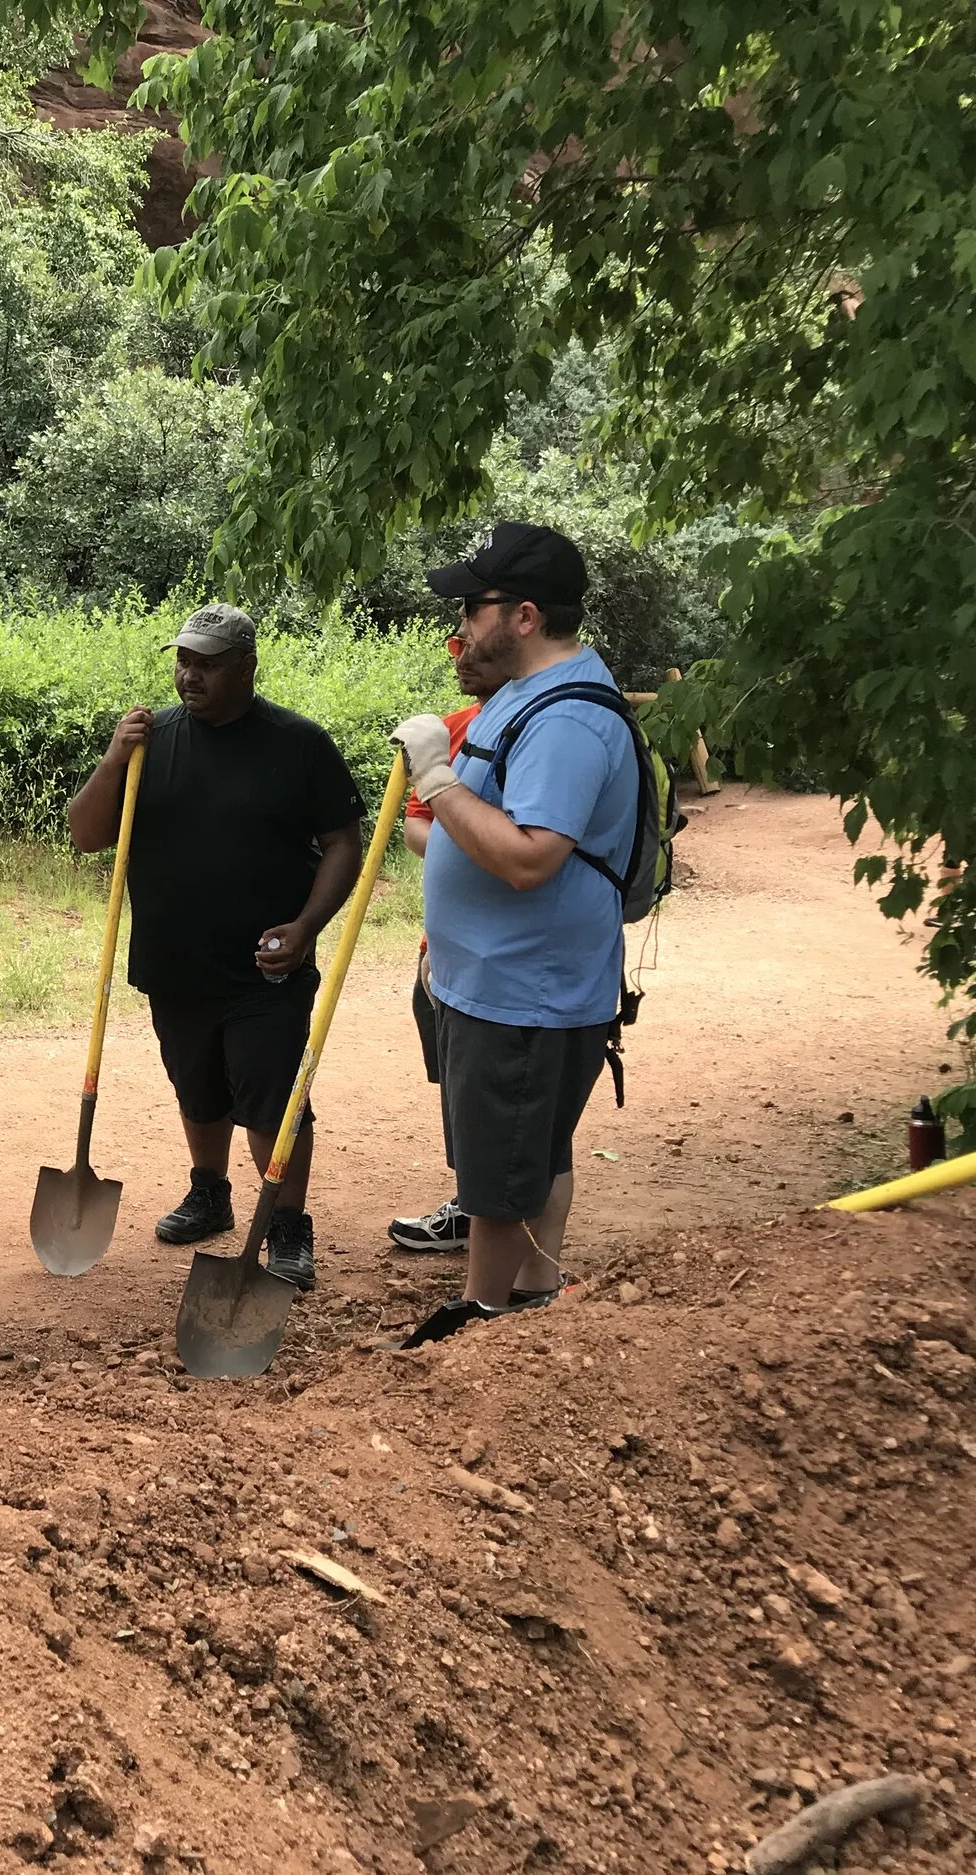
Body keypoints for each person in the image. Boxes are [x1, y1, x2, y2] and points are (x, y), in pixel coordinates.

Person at [65, 603, 366, 1289]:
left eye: (205, 663)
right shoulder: (149, 741)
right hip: (175, 964)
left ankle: (288, 1226)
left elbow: (344, 843)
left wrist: (306, 926)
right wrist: (114, 756)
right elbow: (86, 834)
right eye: (183, 660)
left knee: (271, 1100)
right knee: (197, 1089)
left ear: (246, 667)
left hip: (267, 967)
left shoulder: (298, 744)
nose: (188, 675)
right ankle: (210, 1192)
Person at [389, 521, 638, 1344]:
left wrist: (435, 777)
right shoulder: (525, 697)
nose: (461, 621)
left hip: (526, 989)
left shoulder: (568, 720)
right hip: (496, 979)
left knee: (499, 1168)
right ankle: (535, 1294)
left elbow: (530, 857)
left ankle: (481, 1320)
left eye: (473, 604)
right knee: (532, 1149)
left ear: (523, 615)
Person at [388, 699, 480, 1257]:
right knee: (457, 1081)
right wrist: (469, 843)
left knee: (498, 1084)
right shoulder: (450, 728)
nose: (464, 649)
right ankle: (472, 1203)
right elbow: (416, 827)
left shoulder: (551, 725)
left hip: (506, 951)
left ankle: (504, 1220)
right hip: (444, 942)